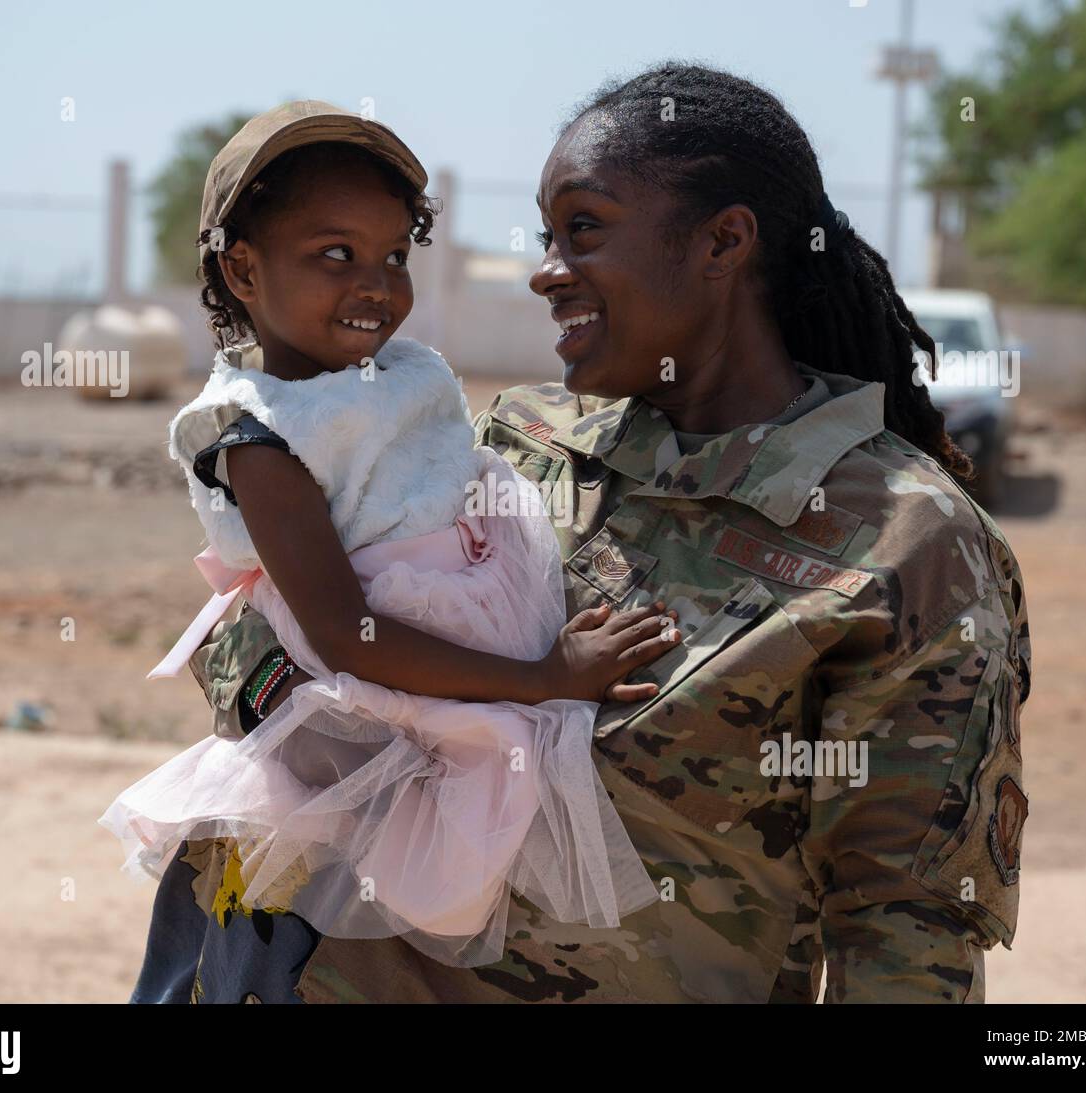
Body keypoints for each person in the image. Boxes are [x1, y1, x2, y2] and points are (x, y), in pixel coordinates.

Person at [158, 63, 1033, 1004]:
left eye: (583, 228)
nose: (543, 269)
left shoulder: (904, 545)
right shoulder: (508, 443)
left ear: (722, 242)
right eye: (546, 235)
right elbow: (269, 637)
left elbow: (906, 927)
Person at [100, 100, 684, 985]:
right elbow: (344, 635)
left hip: (446, 640)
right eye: (336, 254)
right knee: (314, 895)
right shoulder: (257, 434)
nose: (376, 283)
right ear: (244, 268)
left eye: (393, 256)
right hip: (366, 686)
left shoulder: (405, 374)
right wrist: (542, 680)